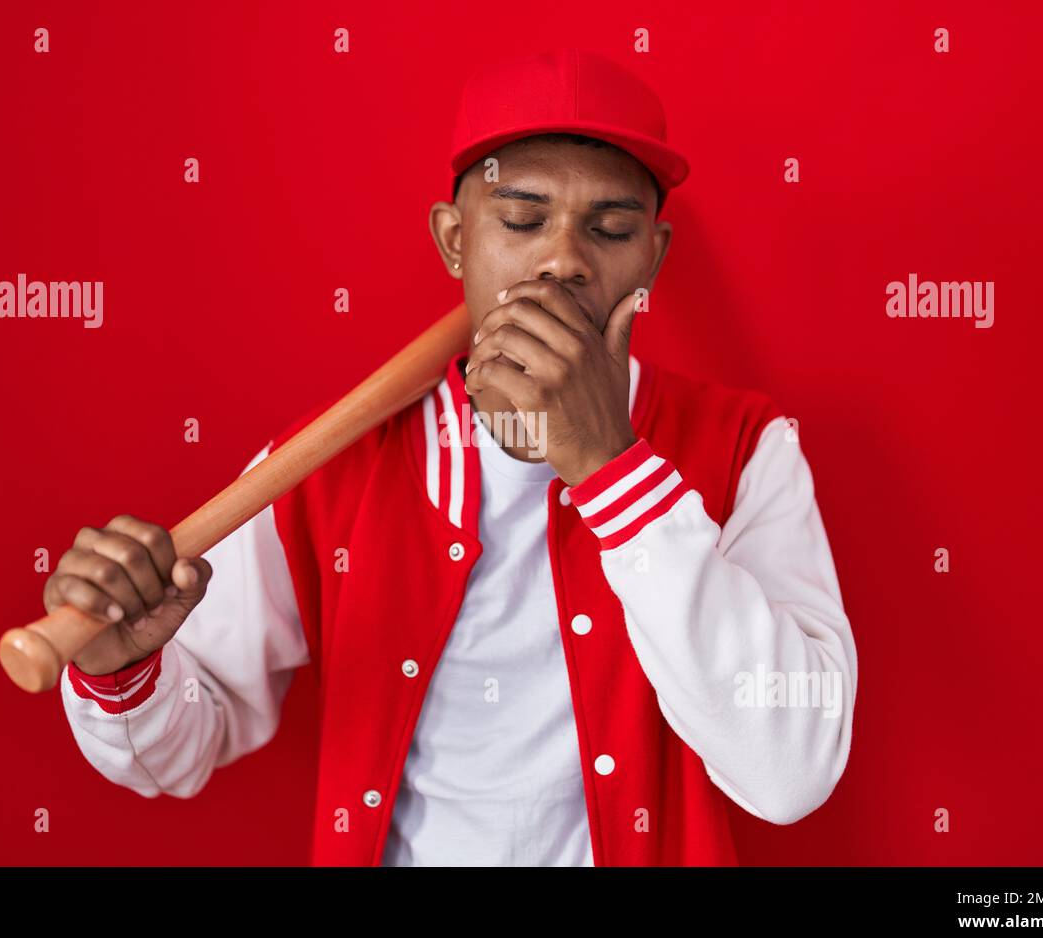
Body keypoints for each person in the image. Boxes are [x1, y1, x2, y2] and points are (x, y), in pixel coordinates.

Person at [53, 47, 858, 866]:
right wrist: (129, 673)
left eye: (610, 229)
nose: (563, 260)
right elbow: (181, 751)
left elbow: (789, 773)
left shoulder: (748, 447)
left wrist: (610, 466)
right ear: (453, 241)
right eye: (521, 220)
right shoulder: (328, 463)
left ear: (652, 259)